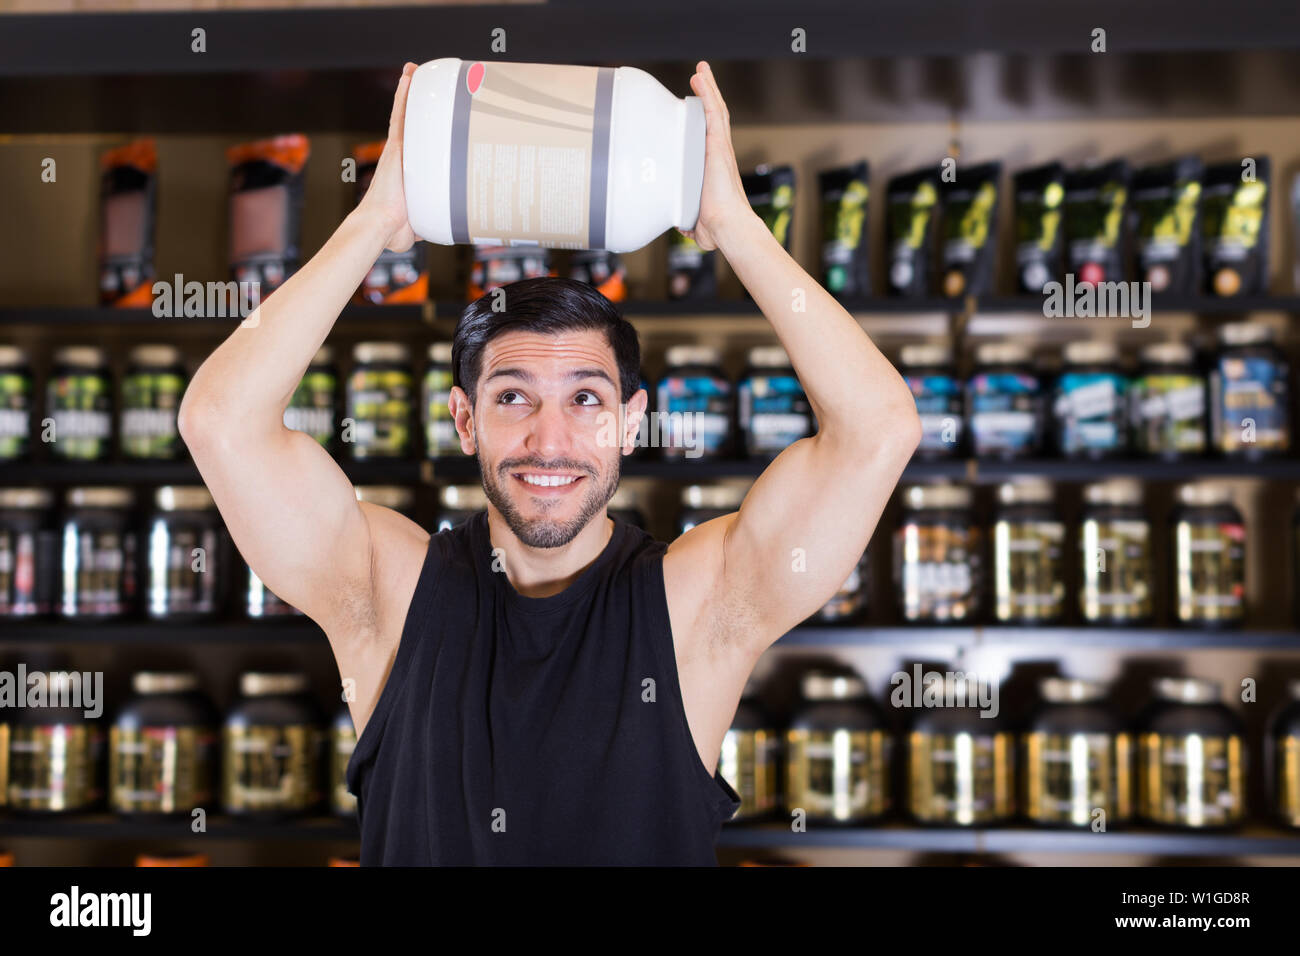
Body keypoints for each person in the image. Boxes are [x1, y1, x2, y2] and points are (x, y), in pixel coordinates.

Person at [179, 60, 921, 864]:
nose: (550, 440)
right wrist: (373, 221)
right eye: (512, 397)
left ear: (633, 423)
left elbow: (877, 428)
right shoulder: (384, 592)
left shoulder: (696, 609)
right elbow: (222, 421)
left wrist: (735, 226)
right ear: (464, 420)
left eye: (586, 399)